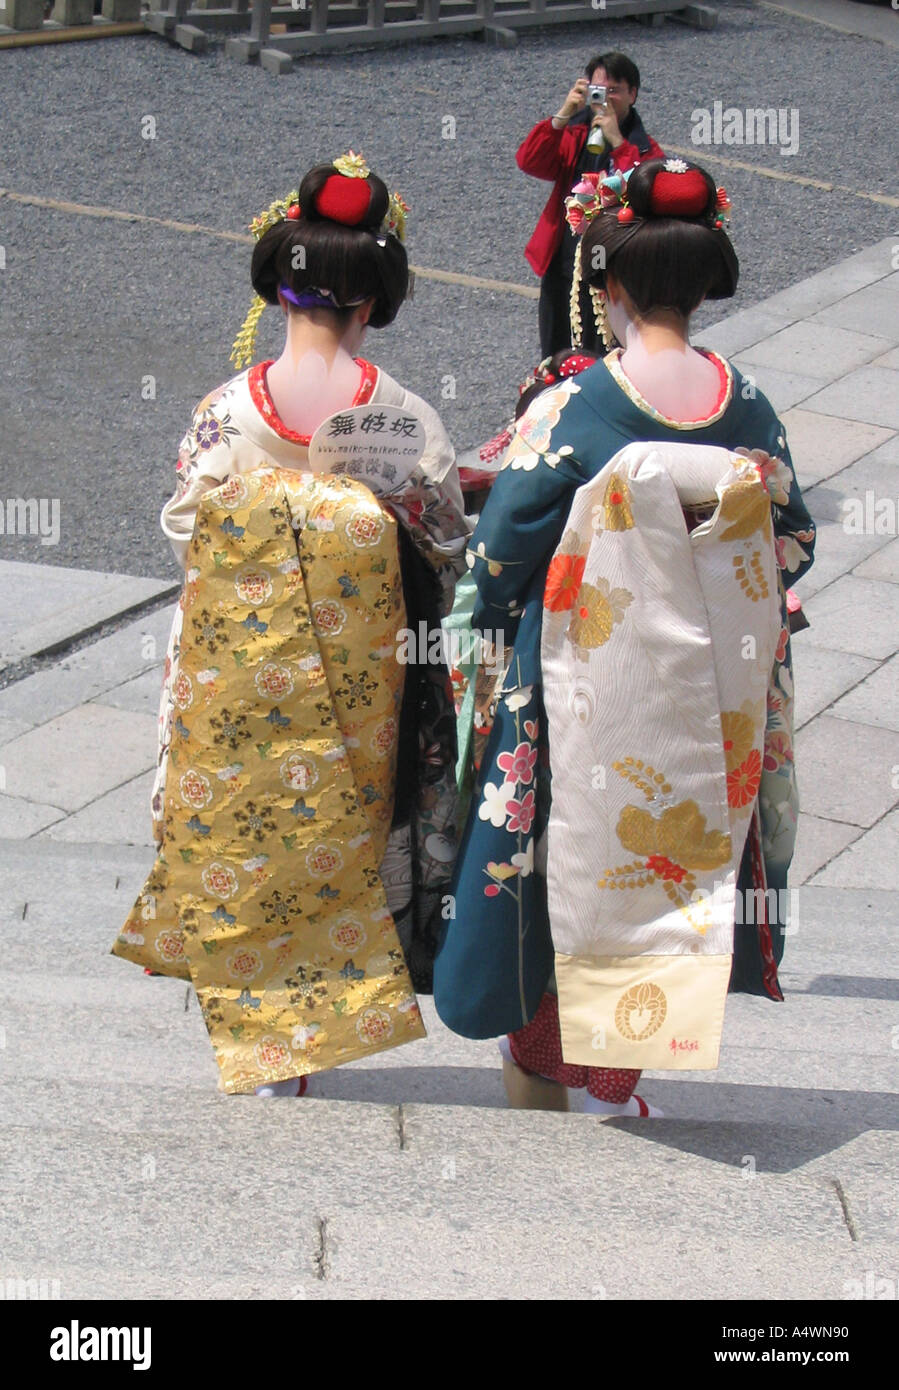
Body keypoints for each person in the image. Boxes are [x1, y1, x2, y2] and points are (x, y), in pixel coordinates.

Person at [434, 157, 816, 1117]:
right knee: (669, 852)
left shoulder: (575, 404)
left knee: (555, 846)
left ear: (604, 286)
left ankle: (544, 1062)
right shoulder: (750, 403)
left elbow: (497, 558)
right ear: (704, 283)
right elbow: (793, 544)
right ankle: (622, 1058)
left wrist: (468, 654)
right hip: (707, 691)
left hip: (582, 679)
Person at [112, 153, 470, 1097]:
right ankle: (318, 1017)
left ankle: (261, 1030)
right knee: (346, 825)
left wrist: (268, 528)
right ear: (375, 302)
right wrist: (357, 520)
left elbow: (187, 529)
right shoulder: (400, 417)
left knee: (242, 819)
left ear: (279, 289)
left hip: (236, 655)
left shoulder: (227, 409)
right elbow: (442, 542)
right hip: (363, 670)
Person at [517, 50, 664, 357]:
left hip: (611, 269)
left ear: (633, 94)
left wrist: (620, 144)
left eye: (614, 91)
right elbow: (529, 161)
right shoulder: (575, 130)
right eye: (598, 91)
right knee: (555, 350)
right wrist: (562, 115)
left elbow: (646, 191)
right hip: (564, 262)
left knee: (602, 350)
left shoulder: (644, 147)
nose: (605, 100)